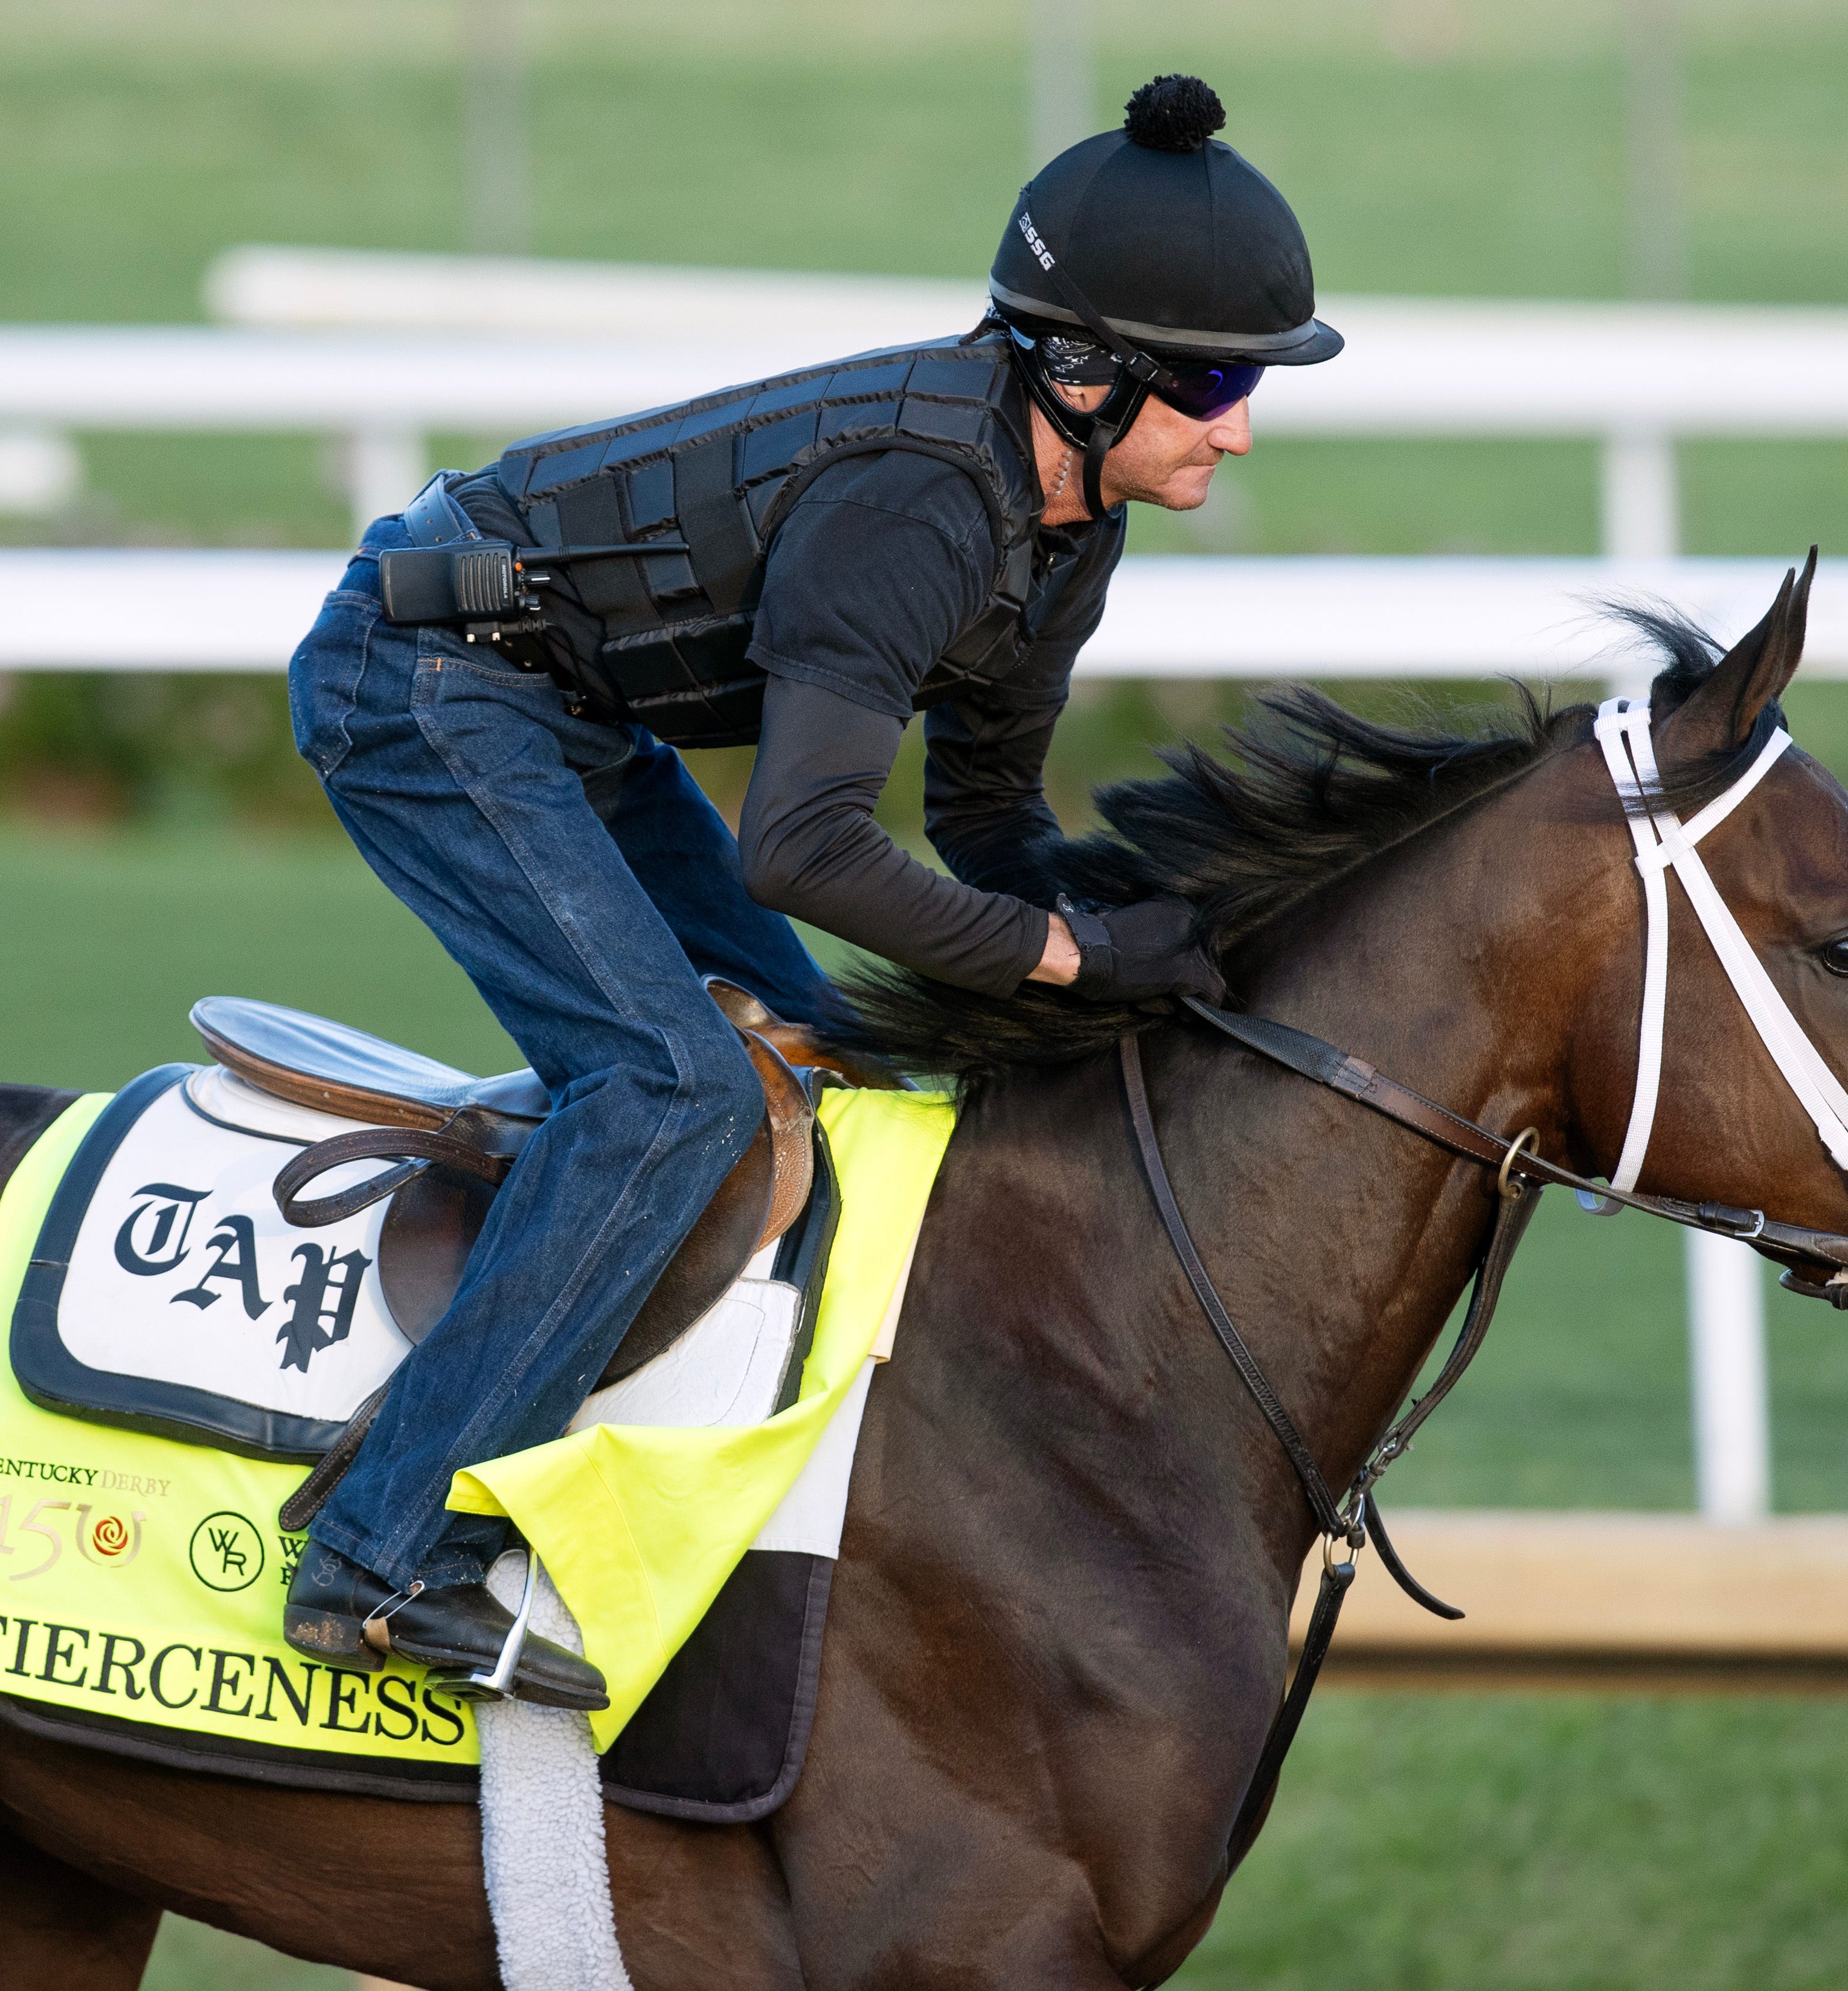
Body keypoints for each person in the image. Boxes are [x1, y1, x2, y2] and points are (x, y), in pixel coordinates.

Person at [281, 72, 1343, 1708]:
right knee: (671, 1091)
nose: (1242, 426)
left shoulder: (1069, 523)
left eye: (1252, 383)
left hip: (564, 692)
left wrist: (1152, 939)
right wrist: (1063, 960)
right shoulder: (920, 503)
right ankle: (378, 1554)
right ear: (1080, 375)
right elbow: (804, 849)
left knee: (828, 1049)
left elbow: (986, 820)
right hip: (423, 670)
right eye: (1211, 383)